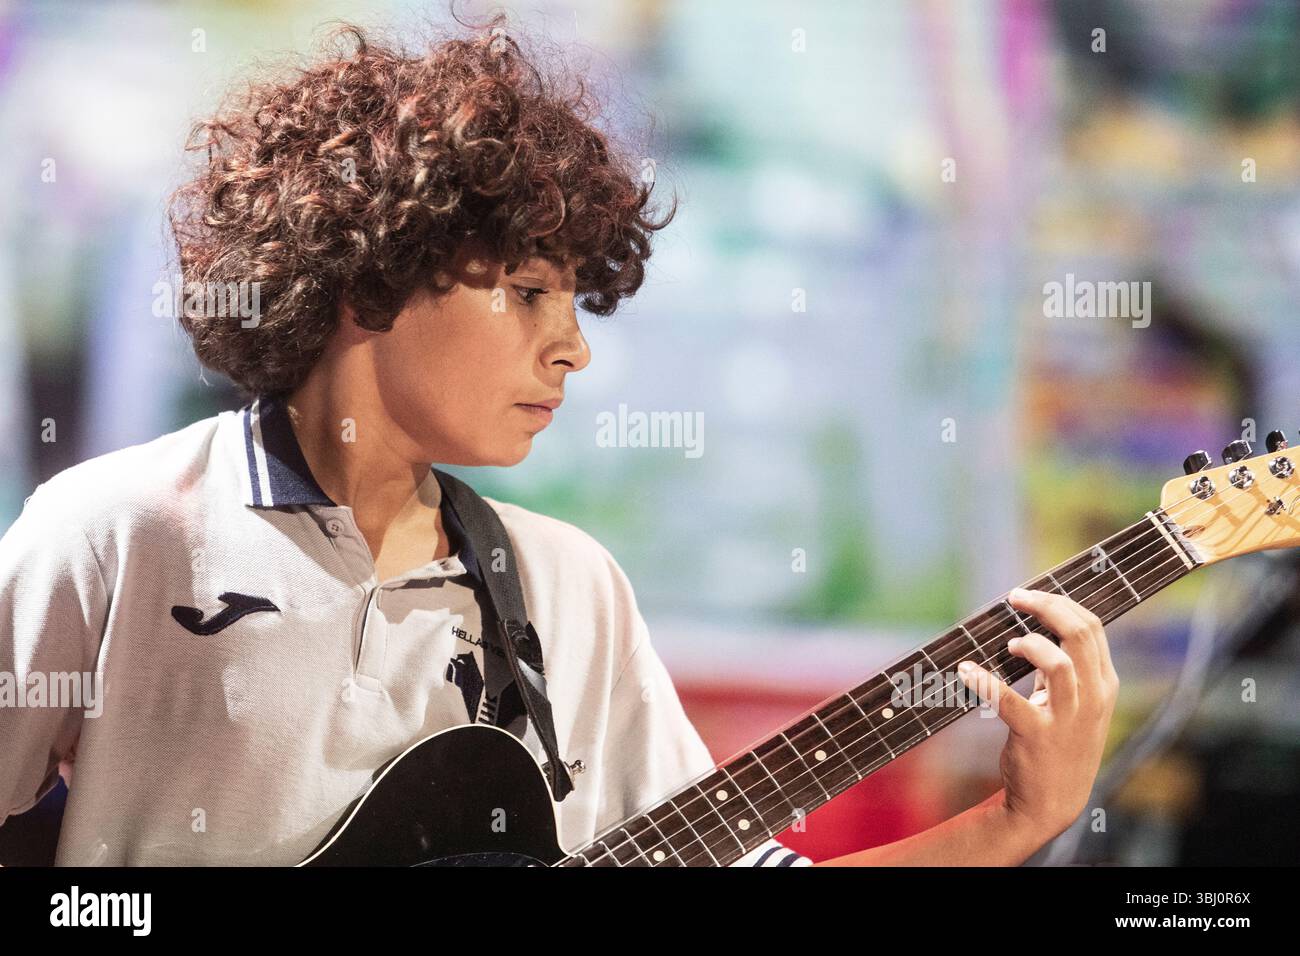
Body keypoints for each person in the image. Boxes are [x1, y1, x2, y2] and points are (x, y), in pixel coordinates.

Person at [0, 15, 1117, 867]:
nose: (572, 350)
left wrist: (1011, 824)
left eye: (576, 302)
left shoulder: (563, 584)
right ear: (373, 277)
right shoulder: (114, 530)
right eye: (528, 292)